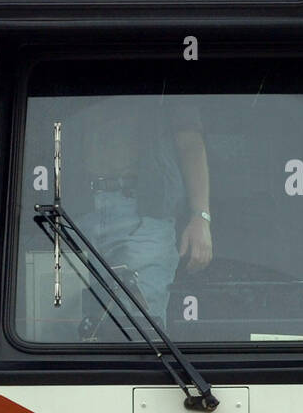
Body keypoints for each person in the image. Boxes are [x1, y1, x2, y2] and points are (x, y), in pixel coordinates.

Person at [73, 94, 213, 326]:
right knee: (61, 328)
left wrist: (201, 216)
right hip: (72, 209)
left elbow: (189, 141)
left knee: (139, 330)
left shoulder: (163, 68)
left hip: (143, 211)